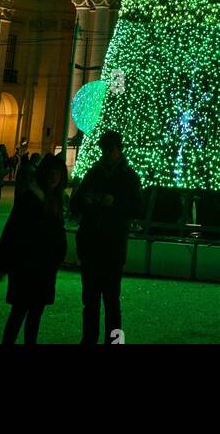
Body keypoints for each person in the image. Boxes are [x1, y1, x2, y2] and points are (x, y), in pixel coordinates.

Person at [70, 129, 142, 345]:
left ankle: (115, 342)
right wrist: (88, 200)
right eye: (105, 149)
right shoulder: (94, 173)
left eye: (111, 149)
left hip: (112, 247)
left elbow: (138, 208)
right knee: (90, 301)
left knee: (112, 303)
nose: (108, 153)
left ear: (119, 150)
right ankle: (89, 340)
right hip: (92, 245)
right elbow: (76, 203)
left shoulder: (129, 176)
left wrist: (116, 203)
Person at [0, 153, 68, 344]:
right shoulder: (30, 198)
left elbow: (58, 233)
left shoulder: (54, 200)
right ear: (43, 174)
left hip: (44, 268)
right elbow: (12, 231)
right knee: (19, 313)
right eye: (51, 173)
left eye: (58, 173)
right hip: (26, 267)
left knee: (34, 315)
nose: (54, 177)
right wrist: (2, 264)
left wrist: (59, 255)